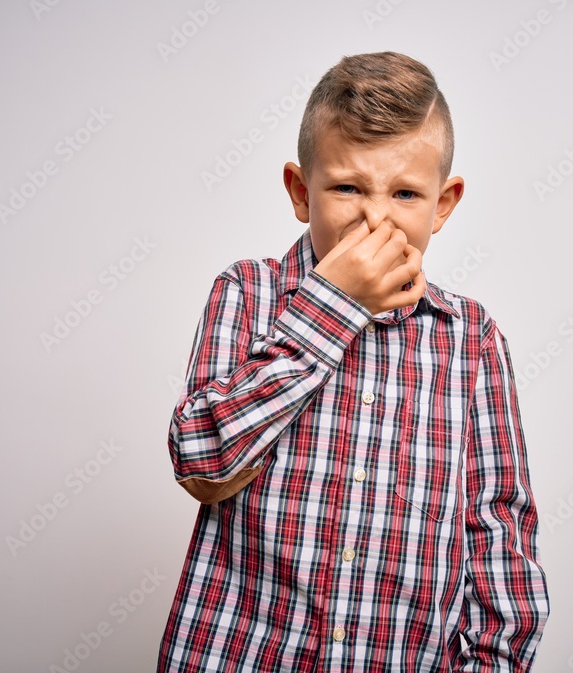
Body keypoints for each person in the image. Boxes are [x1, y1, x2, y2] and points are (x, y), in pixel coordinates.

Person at [157, 51, 549, 672]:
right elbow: (202, 463)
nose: (375, 217)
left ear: (442, 205)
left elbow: (499, 532)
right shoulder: (246, 293)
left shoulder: (472, 340)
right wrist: (333, 307)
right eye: (346, 187)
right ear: (300, 192)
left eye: (406, 193)